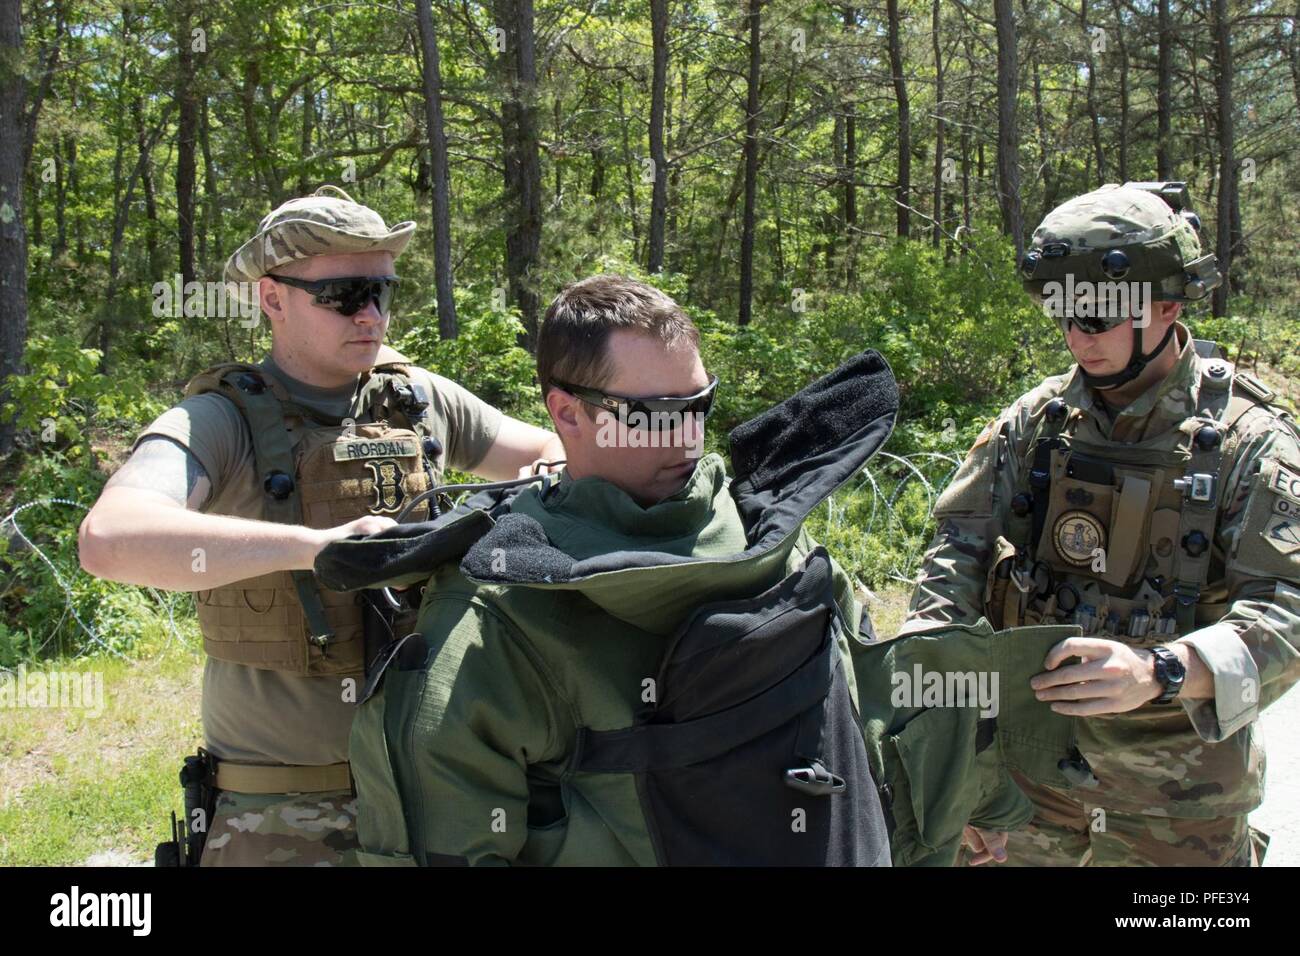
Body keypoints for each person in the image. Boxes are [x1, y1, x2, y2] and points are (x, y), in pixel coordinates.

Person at [331, 275, 897, 865]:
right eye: (655, 414)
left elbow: (870, 731)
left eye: (700, 405)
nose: (689, 437)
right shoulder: (496, 616)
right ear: (567, 413)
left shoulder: (771, 535)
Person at [77, 185, 564, 866]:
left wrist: (513, 516)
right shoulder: (220, 421)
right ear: (272, 299)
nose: (370, 315)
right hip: (284, 812)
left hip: (435, 787)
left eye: (382, 293)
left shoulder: (419, 400)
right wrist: (313, 549)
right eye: (343, 295)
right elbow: (110, 539)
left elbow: (549, 451)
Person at [901, 181, 1300, 866]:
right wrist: (949, 752)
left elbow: (1287, 609)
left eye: (1098, 318)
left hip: (1178, 799)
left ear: (1167, 306)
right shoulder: (1035, 421)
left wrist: (1163, 670)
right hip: (1025, 778)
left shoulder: (1249, 444)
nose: (1077, 337)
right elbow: (954, 554)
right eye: (1065, 318)